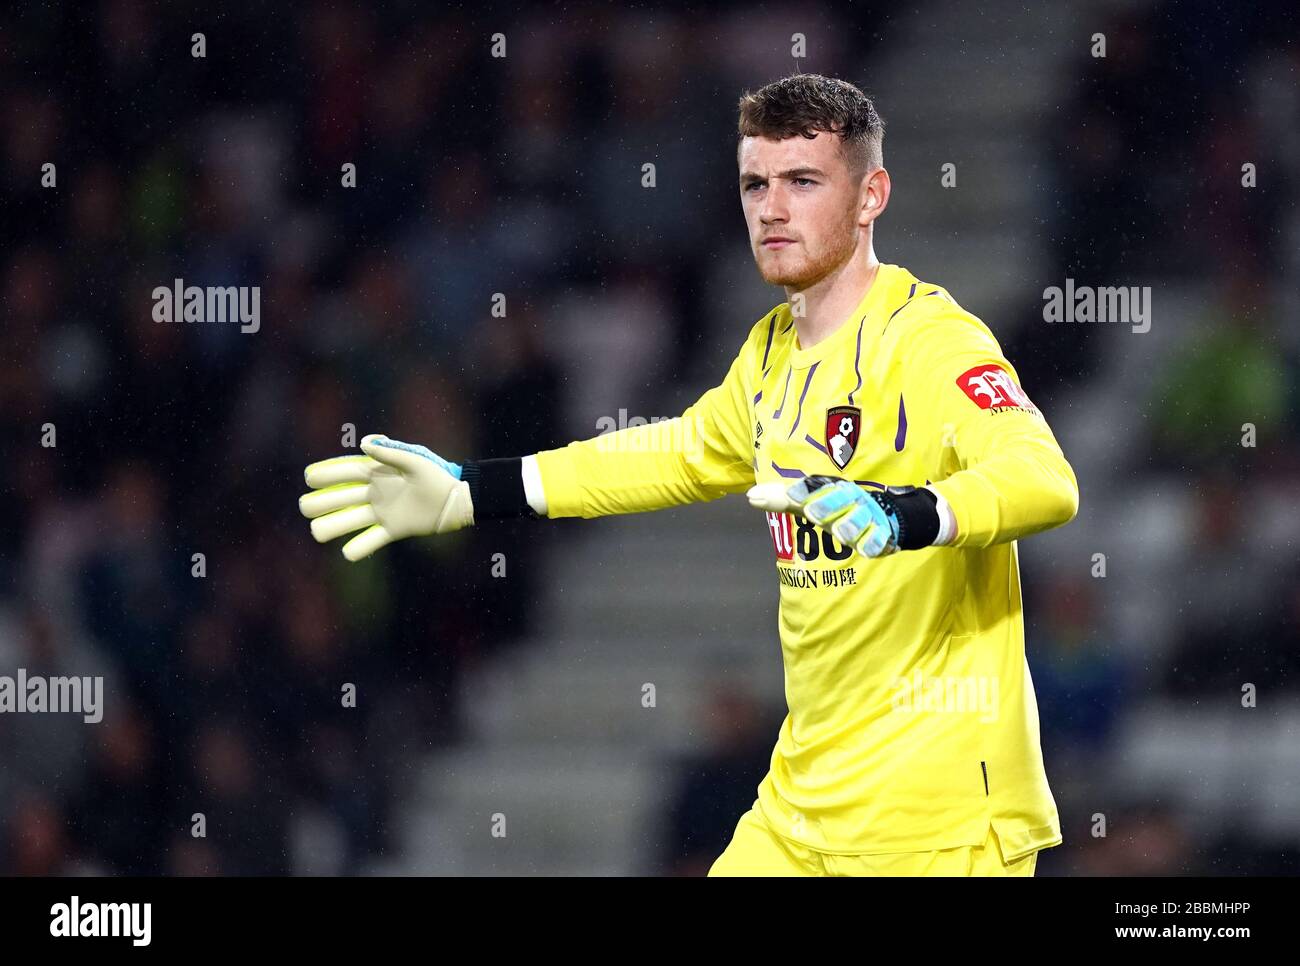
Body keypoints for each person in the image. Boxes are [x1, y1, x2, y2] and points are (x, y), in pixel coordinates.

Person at [298, 73, 1079, 876]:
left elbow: (1044, 477)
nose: (772, 209)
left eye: (804, 182)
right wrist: (472, 490)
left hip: (938, 824)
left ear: (871, 194)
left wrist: (909, 513)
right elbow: (667, 452)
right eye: (755, 184)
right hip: (803, 811)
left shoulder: (930, 340)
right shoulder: (771, 354)